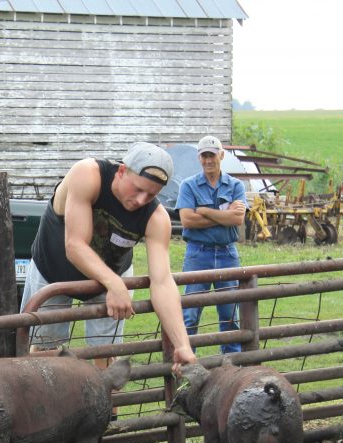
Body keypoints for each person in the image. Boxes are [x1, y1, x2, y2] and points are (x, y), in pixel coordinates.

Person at [19, 142, 196, 373]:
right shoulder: (88, 175)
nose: (142, 200)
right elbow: (75, 246)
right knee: (44, 350)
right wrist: (115, 284)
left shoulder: (156, 218)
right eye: (138, 189)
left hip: (112, 274)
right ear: (122, 171)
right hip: (53, 269)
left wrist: (182, 344)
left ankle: (107, 407)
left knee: (107, 354)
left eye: (151, 194)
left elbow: (162, 281)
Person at [176, 135, 247, 355]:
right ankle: (188, 362)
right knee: (191, 312)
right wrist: (222, 215)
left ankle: (231, 364)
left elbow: (237, 220)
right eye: (204, 156)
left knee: (230, 311)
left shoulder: (235, 185)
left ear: (221, 156)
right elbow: (187, 220)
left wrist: (204, 211)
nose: (208, 160)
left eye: (212, 155)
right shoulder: (188, 185)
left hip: (227, 253)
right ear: (199, 158)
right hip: (198, 253)